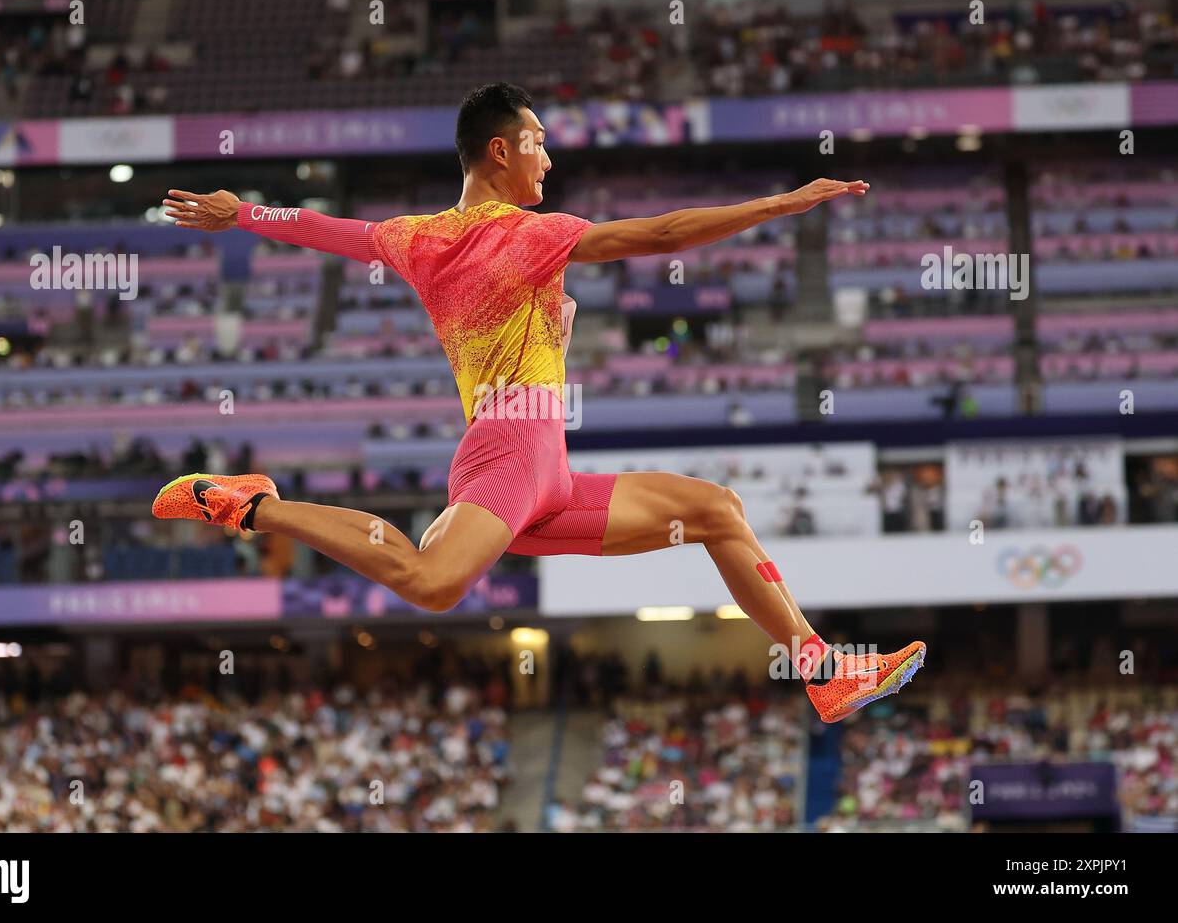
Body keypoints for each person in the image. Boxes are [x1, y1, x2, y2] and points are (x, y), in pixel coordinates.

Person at [153, 83, 923, 723]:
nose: (548, 158)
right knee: (431, 582)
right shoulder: (528, 236)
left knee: (717, 509)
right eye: (538, 142)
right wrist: (776, 207)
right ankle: (254, 506)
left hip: (543, 471)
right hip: (509, 458)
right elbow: (659, 234)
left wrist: (246, 212)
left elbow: (326, 228)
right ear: (501, 151)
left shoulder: (412, 237)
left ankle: (821, 668)